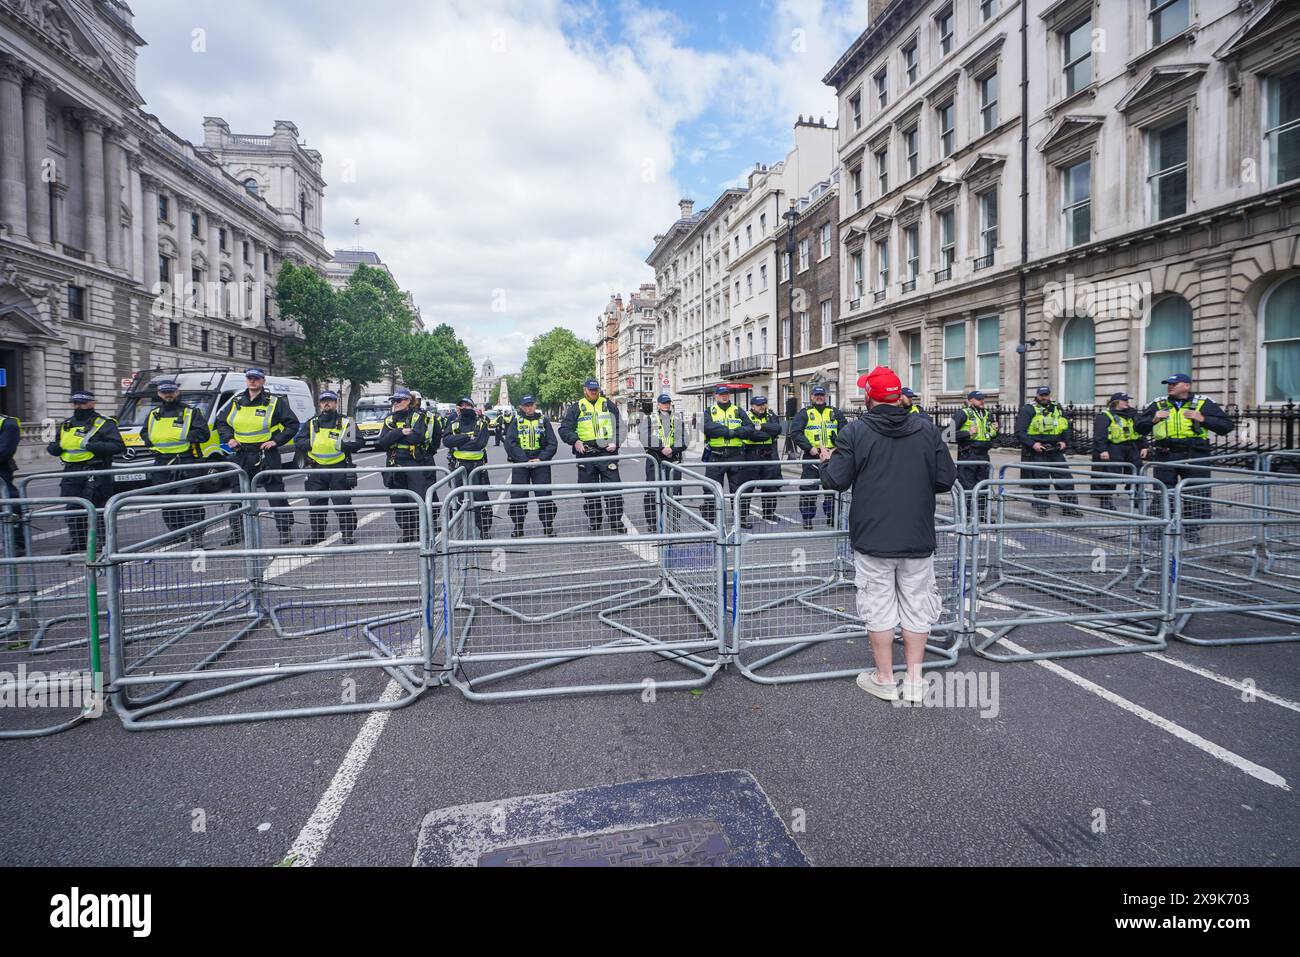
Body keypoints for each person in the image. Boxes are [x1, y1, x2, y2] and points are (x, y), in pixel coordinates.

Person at [819, 367, 956, 704]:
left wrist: (826, 461)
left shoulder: (855, 431)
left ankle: (883, 677)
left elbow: (836, 480)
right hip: (917, 534)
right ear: (899, 397)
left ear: (869, 398)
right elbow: (945, 479)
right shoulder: (926, 429)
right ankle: (913, 679)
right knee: (916, 604)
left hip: (873, 535)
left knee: (878, 606)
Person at [1135, 373, 1234, 537]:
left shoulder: (1203, 403)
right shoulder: (1159, 404)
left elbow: (1227, 426)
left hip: (1195, 454)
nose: (1170, 386)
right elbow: (1138, 427)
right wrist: (1153, 420)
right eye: (1168, 384)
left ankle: (1191, 529)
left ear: (1187, 386)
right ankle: (1161, 526)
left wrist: (1202, 418)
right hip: (1166, 453)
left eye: (1174, 383)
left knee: (1195, 493)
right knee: (1163, 492)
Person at [214, 369, 300, 545]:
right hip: (242, 454)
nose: (252, 381)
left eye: (256, 379)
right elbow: (221, 422)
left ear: (263, 381)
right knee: (238, 495)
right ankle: (237, 532)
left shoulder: (274, 402)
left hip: (266, 454)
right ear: (246, 381)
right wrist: (229, 438)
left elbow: (292, 424)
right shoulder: (237, 401)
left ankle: (284, 531)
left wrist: (276, 441)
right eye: (250, 378)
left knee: (276, 495)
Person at [45, 391, 126, 554]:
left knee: (98, 508)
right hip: (71, 472)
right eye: (75, 403)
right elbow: (55, 444)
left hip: (95, 470)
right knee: (73, 509)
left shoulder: (104, 423)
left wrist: (92, 447)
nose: (77, 406)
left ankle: (104, 541)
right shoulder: (67, 423)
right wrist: (54, 448)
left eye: (81, 403)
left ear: (92, 403)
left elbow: (118, 447)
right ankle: (79, 541)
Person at [143, 379, 211, 548]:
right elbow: (145, 433)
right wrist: (150, 441)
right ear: (159, 394)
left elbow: (203, 434)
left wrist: (180, 436)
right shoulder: (153, 414)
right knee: (168, 502)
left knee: (189, 501)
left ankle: (196, 536)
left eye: (171, 392)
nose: (168, 395)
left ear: (177, 392)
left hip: (186, 462)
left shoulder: (190, 412)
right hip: (162, 463)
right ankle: (176, 534)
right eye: (165, 392)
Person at [297, 391, 363, 545]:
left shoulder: (347, 422)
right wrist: (312, 444)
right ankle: (317, 533)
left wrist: (342, 444)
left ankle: (347, 533)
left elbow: (359, 442)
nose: (326, 404)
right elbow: (299, 440)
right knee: (316, 504)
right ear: (319, 404)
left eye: (330, 401)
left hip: (339, 468)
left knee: (342, 503)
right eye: (323, 401)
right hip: (316, 469)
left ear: (335, 403)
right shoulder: (312, 422)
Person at [559, 379, 624, 534]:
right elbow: (564, 429)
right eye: (591, 389)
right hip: (586, 455)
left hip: (607, 453)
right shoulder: (576, 407)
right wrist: (575, 441)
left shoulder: (608, 405)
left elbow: (620, 426)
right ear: (585, 390)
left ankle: (615, 520)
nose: (594, 392)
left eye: (596, 389)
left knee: (613, 489)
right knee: (590, 491)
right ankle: (595, 521)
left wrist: (616, 442)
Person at [1014, 385, 1080, 517]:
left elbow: (1066, 427)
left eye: (1046, 395)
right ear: (1037, 395)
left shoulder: (1057, 408)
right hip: (1039, 450)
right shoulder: (1028, 409)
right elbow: (1020, 432)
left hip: (1056, 450)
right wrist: (1033, 444)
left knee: (1065, 479)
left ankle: (1069, 507)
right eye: (1042, 395)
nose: (1044, 397)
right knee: (1041, 480)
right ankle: (1041, 507)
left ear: (1050, 395)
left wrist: (1065, 442)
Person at [375, 387, 431, 544]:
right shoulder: (389, 419)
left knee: (418, 499)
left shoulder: (417, 417)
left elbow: (418, 438)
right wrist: (401, 432)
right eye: (394, 401)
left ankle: (421, 531)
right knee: (399, 501)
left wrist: (395, 437)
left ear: (408, 401)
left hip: (414, 462)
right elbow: (383, 442)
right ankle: (407, 531)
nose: (395, 403)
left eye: (399, 400)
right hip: (394, 463)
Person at [790, 386, 847, 529]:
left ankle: (832, 517)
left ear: (826, 396)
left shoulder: (835, 412)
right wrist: (810, 448)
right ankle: (807, 518)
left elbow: (846, 431)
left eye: (822, 394)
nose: (819, 397)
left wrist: (836, 448)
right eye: (817, 395)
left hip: (832, 455)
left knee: (832, 488)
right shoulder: (805, 413)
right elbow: (796, 433)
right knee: (809, 489)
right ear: (811, 397)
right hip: (812, 456)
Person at [503, 395, 558, 537]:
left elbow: (552, 443)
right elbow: (510, 444)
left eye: (531, 405)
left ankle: (548, 526)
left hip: (540, 463)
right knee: (518, 496)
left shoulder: (544, 421)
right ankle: (518, 527)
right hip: (521, 464)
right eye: (526, 405)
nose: (529, 408)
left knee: (544, 495)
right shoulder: (516, 422)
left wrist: (541, 458)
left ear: (535, 405)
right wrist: (523, 460)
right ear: (521, 407)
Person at [700, 385, 753, 528]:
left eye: (726, 394)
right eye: (721, 394)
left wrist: (733, 433)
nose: (724, 396)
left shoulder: (737, 410)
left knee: (739, 489)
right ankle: (709, 521)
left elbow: (749, 428)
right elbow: (706, 427)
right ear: (715, 396)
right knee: (711, 489)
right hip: (716, 455)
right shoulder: (709, 411)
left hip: (736, 455)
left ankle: (741, 519)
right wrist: (729, 432)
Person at [443, 397, 493, 535]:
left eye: (467, 405)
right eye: (461, 406)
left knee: (481, 498)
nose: (464, 408)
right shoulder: (453, 424)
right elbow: (447, 441)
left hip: (478, 466)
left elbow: (480, 443)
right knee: (457, 498)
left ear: (472, 407)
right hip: (458, 466)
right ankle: (455, 529)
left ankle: (484, 529)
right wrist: (466, 437)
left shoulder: (481, 423)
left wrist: (459, 441)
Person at [1092, 392, 1147, 511]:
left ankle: (1136, 496)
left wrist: (1144, 446)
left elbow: (1140, 431)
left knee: (1137, 471)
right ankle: (1105, 500)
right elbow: (1099, 435)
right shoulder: (1105, 415)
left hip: (1131, 447)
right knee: (1111, 473)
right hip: (1113, 447)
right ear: (1116, 402)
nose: (1128, 402)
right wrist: (1103, 450)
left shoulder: (1132, 415)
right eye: (1125, 400)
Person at [640, 393, 687, 529]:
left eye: (668, 403)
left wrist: (672, 449)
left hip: (673, 459)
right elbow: (644, 437)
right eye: (663, 403)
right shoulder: (649, 419)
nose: (666, 405)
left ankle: (673, 521)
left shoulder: (677, 420)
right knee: (653, 491)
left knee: (675, 492)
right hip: (655, 459)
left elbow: (684, 439)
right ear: (658, 405)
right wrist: (662, 448)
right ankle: (653, 523)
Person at [951, 390, 998, 516]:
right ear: (970, 400)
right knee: (967, 486)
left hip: (984, 455)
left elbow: (994, 437)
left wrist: (995, 431)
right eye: (979, 399)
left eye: (983, 398)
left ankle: (982, 515)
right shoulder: (962, 414)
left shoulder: (988, 415)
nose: (982, 401)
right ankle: (964, 515)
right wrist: (967, 433)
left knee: (983, 485)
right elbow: (948, 435)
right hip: (968, 455)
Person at [740, 395, 783, 527]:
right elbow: (750, 435)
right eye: (759, 405)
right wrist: (767, 432)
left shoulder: (770, 415)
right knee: (747, 487)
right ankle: (742, 516)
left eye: (764, 404)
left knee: (770, 486)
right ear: (752, 406)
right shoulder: (746, 415)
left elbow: (777, 429)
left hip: (768, 454)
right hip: (751, 454)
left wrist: (760, 427)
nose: (762, 407)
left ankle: (769, 512)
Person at [1, 407, 27, 555]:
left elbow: (5, 450)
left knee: (8, 504)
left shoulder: (8, 423)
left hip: (1, 471)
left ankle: (15, 542)